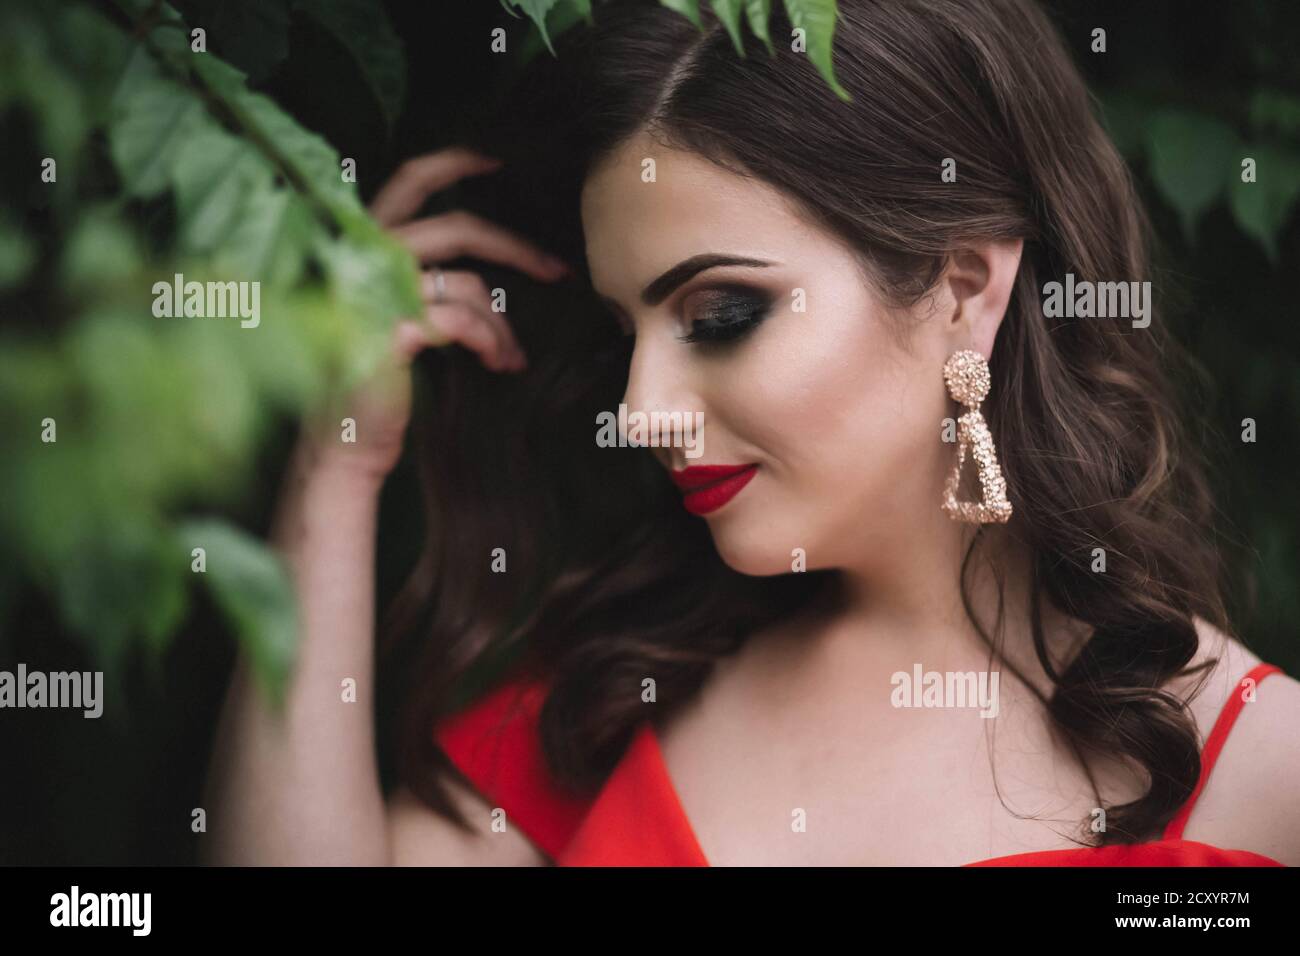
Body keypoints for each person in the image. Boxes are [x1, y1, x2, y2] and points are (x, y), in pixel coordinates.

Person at [201, 0, 1300, 866]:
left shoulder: (1267, 773)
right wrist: (332, 473)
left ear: (963, 285)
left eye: (722, 315)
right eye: (622, 329)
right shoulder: (614, 686)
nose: (640, 413)